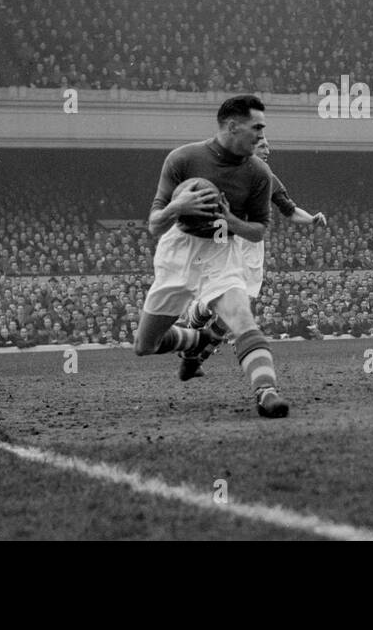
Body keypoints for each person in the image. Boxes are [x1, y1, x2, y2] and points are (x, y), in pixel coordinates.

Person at [132, 95, 289, 418]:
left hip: (222, 249)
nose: (261, 135)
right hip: (179, 249)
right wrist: (179, 207)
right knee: (145, 345)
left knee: (242, 318)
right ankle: (196, 340)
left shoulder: (259, 173)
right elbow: (154, 225)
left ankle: (266, 392)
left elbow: (258, 231)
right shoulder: (183, 159)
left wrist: (231, 222)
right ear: (232, 126)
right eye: (256, 128)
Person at [177, 136, 328, 379]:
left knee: (238, 307)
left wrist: (311, 219)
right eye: (262, 146)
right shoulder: (222, 173)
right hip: (224, 241)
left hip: (251, 249)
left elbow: (288, 210)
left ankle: (198, 356)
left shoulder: (267, 177)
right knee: (214, 300)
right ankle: (193, 324)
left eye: (268, 146)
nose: (268, 150)